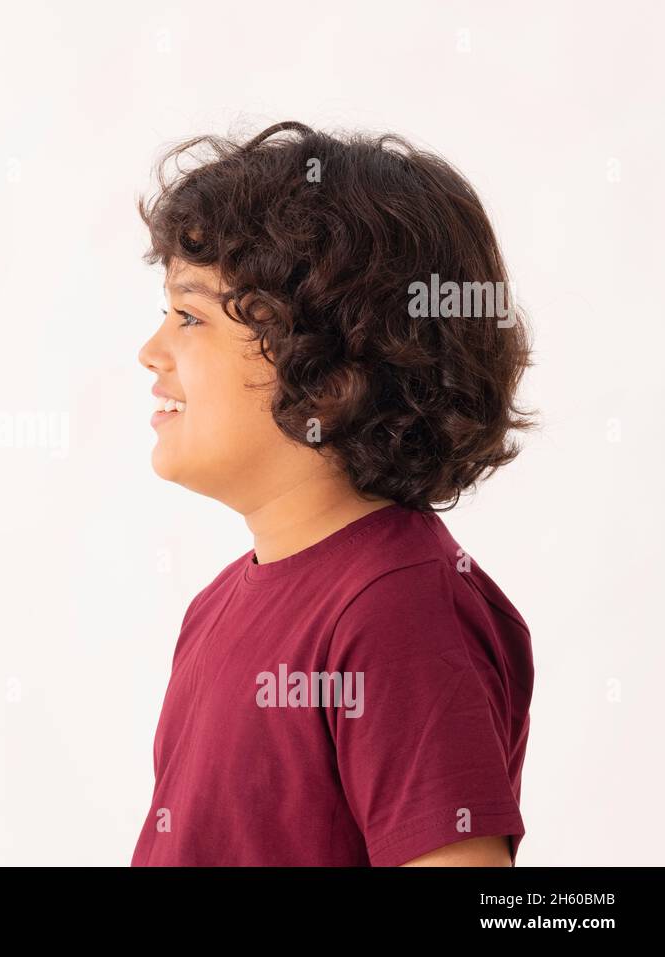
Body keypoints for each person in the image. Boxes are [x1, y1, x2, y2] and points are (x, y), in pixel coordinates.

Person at [132, 121, 534, 866]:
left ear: (329, 375)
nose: (150, 351)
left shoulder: (397, 609)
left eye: (189, 315)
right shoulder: (216, 607)